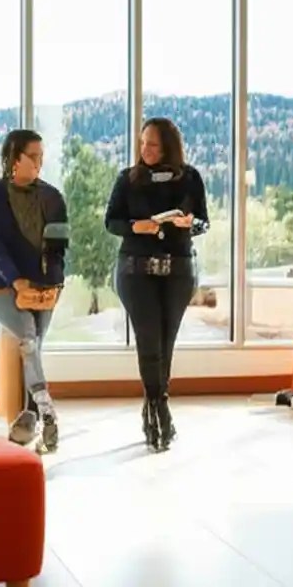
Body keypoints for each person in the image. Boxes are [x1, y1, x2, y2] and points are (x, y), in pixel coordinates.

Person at [105, 117, 209, 452]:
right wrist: (137, 227)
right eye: (142, 143)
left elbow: (204, 221)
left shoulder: (190, 178)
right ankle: (158, 407)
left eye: (152, 144)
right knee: (148, 339)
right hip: (135, 270)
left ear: (168, 147)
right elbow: (112, 221)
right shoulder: (128, 179)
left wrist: (188, 223)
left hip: (178, 270)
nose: (145, 150)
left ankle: (155, 403)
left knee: (166, 342)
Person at [0, 129, 69, 451]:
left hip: (42, 287)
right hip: (0, 287)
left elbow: (58, 246)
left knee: (35, 347)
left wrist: (53, 285)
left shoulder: (53, 197)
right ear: (15, 158)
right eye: (34, 156)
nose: (40, 162)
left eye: (43, 156)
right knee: (29, 339)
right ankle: (48, 414)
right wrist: (16, 281)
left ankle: (26, 425)